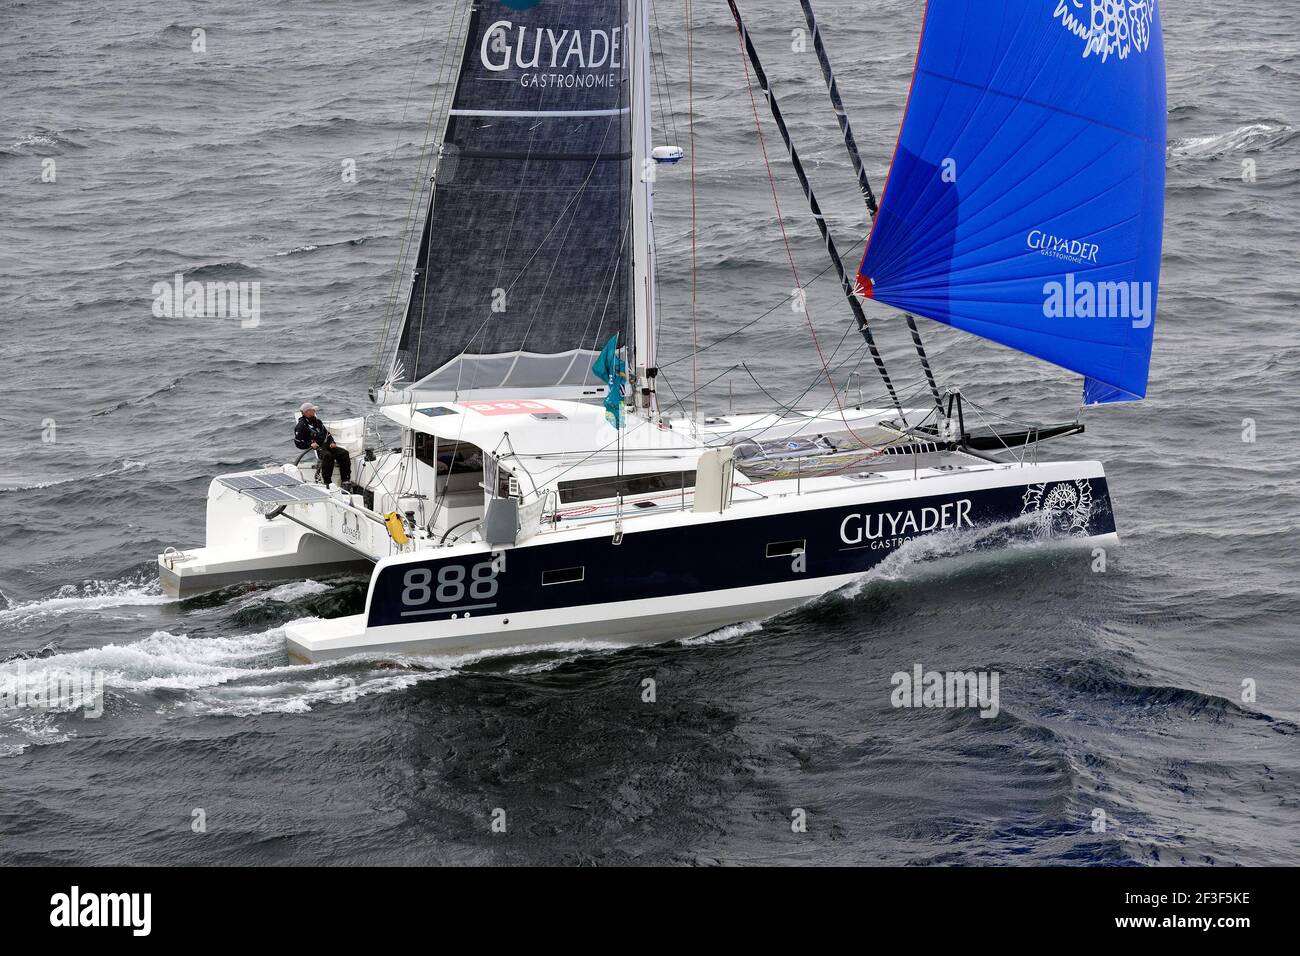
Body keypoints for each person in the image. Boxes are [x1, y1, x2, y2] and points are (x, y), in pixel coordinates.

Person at [293, 402, 351, 487]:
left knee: (344, 453)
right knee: (328, 456)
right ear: (306, 412)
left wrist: (332, 442)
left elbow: (328, 434)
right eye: (313, 410)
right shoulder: (301, 426)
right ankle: (327, 482)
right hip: (318, 449)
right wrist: (310, 444)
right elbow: (298, 443)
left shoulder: (318, 422)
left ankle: (345, 479)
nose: (314, 411)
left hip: (327, 445)